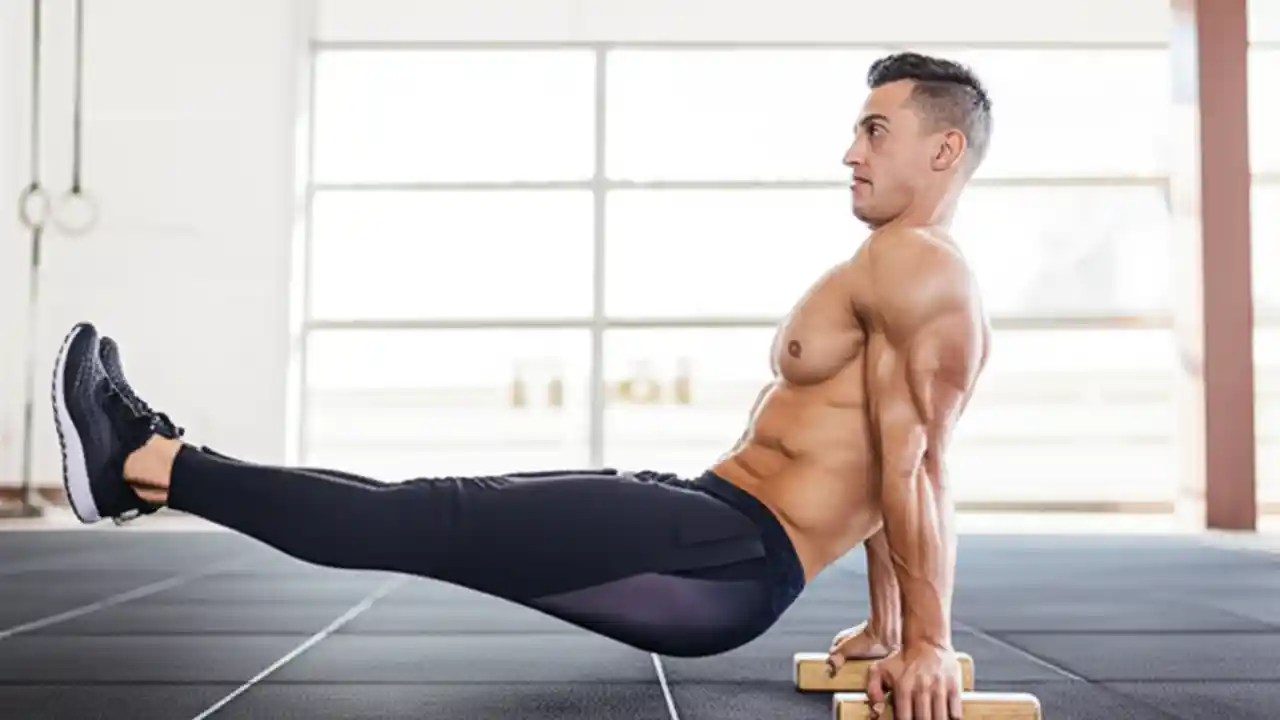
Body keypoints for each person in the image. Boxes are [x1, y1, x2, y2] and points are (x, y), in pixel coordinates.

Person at [51, 51, 991, 720]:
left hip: (724, 554)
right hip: (711, 524)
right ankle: (150, 466)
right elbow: (887, 458)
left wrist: (926, 646)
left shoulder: (918, 267)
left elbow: (917, 469)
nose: (851, 152)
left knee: (430, 519)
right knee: (431, 513)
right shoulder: (902, 267)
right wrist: (886, 624)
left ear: (942, 151)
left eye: (875, 130)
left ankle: (147, 463)